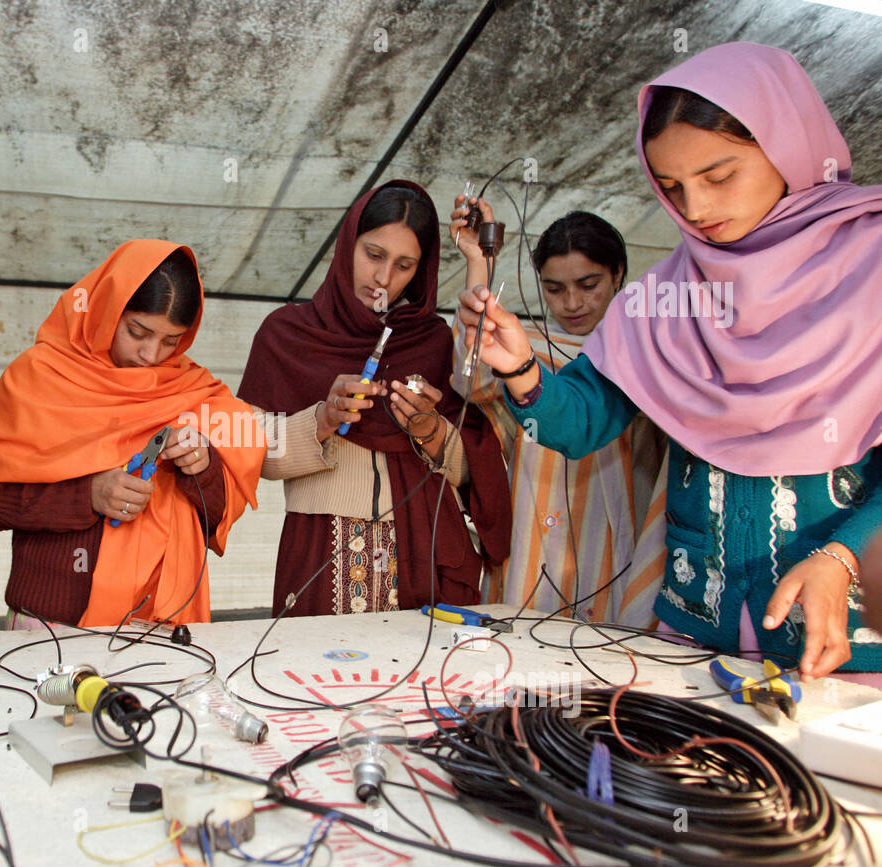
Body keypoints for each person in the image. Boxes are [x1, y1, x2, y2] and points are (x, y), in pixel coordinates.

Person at [457, 43, 882, 680]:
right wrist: (520, 370)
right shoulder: (665, 296)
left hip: (843, 646)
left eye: (718, 176)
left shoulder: (871, 270)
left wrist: (843, 558)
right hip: (695, 636)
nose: (696, 210)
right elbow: (575, 426)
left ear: (790, 148)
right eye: (673, 187)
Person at [239, 181, 510, 617]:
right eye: (374, 255)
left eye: (405, 265)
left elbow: (474, 467)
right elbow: (249, 453)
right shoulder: (287, 333)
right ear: (348, 244)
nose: (384, 278)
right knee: (314, 679)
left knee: (426, 684)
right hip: (318, 553)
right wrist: (321, 420)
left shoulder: (434, 340)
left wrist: (429, 429)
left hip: (428, 555)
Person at [0, 240, 264, 628]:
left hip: (157, 618)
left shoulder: (195, 391)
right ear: (108, 309)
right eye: (137, 332)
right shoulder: (37, 378)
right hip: (51, 621)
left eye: (170, 341)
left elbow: (221, 509)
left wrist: (203, 464)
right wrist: (87, 494)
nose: (151, 354)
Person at [453, 208, 667, 624]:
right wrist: (478, 262)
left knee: (611, 659)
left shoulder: (647, 348)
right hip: (534, 528)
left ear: (618, 274)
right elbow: (471, 378)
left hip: (624, 531)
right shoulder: (522, 345)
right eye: (554, 289)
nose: (572, 303)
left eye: (589, 285)